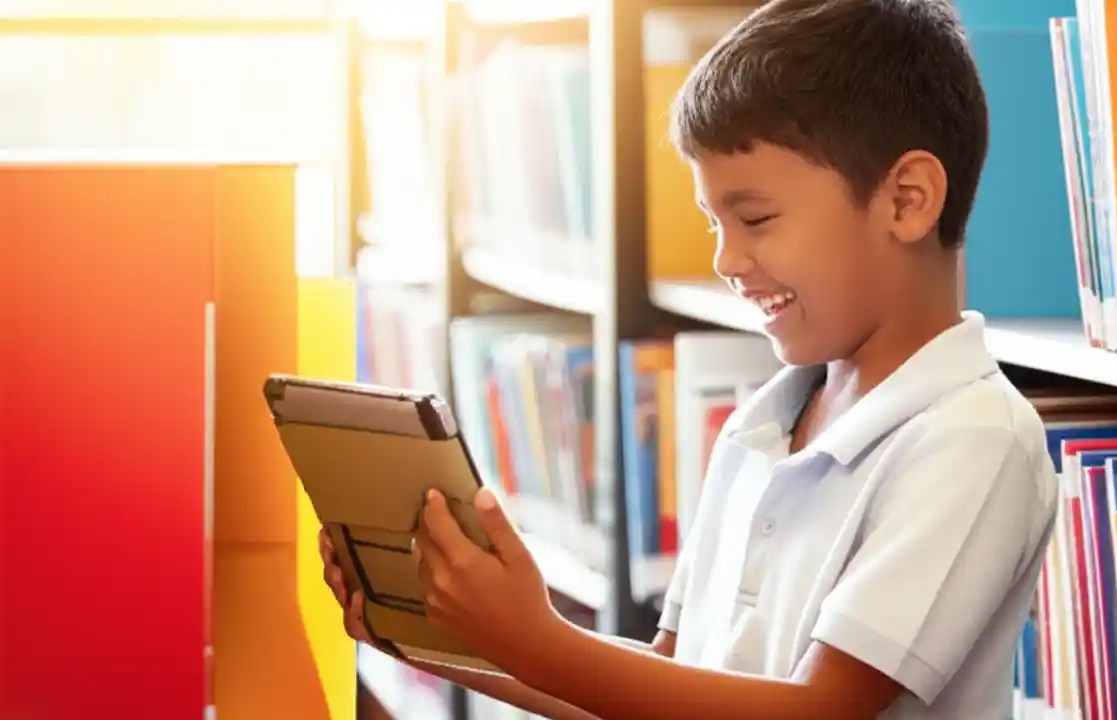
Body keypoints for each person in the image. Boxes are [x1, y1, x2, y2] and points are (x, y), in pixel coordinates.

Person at [320, 0, 1059, 717]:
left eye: (756, 219)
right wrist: (454, 638)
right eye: (714, 221)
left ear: (907, 199)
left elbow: (820, 710)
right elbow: (666, 689)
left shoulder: (974, 439)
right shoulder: (758, 426)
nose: (726, 258)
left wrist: (536, 640)